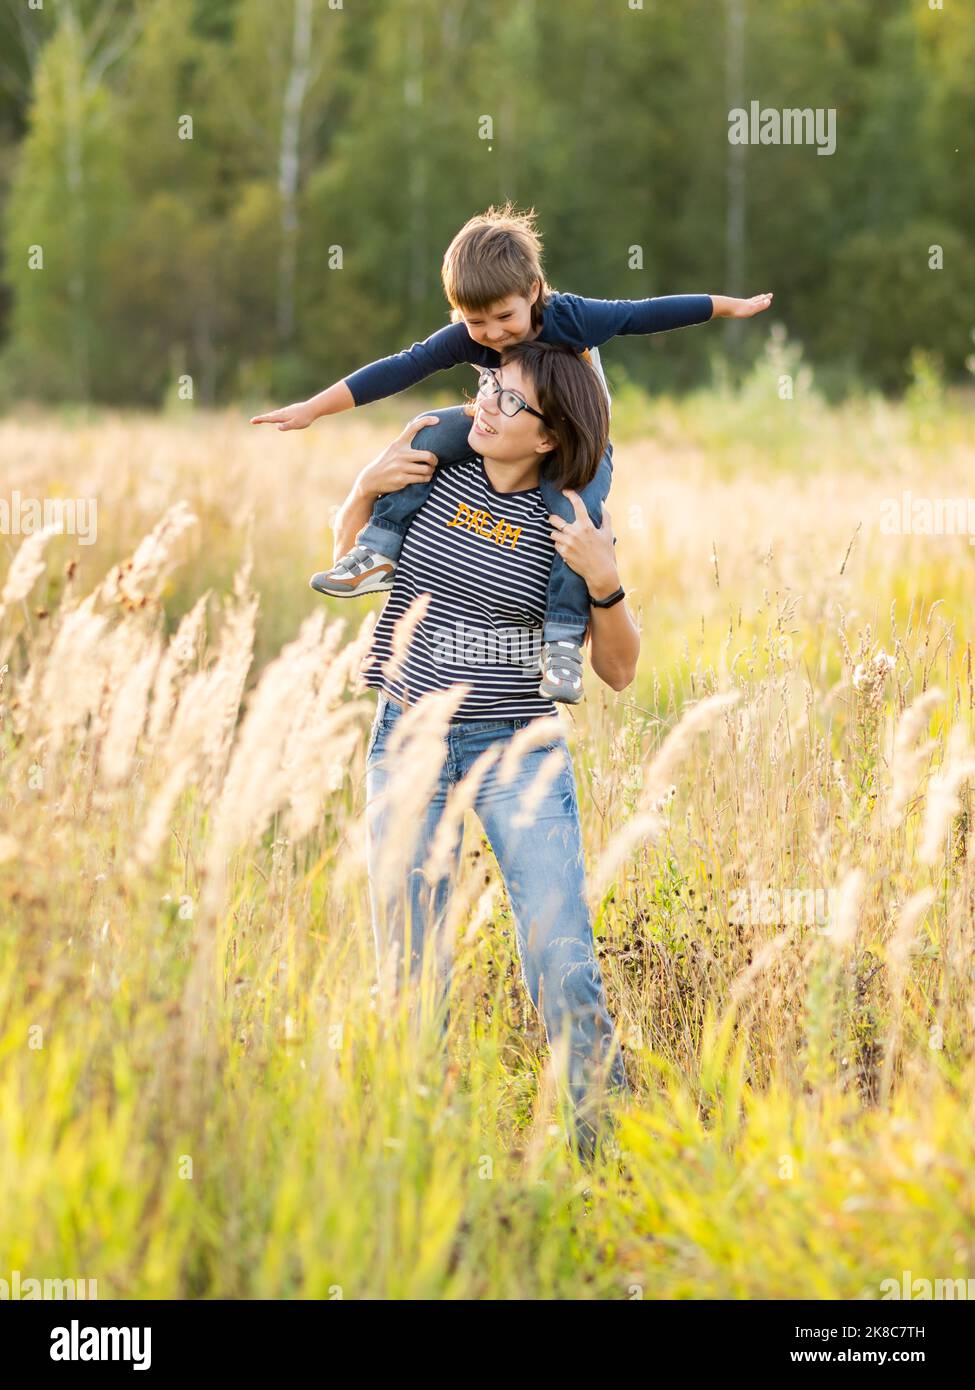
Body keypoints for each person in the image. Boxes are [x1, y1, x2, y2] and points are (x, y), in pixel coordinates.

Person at [252, 203, 772, 704]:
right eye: (477, 323)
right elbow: (400, 368)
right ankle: (379, 549)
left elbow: (644, 315)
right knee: (425, 433)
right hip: (505, 416)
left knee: (574, 521)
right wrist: (314, 409)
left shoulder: (571, 318)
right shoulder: (468, 335)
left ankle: (563, 639)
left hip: (575, 439)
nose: (494, 334)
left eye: (505, 317)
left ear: (533, 292)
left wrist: (728, 306)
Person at [333, 340, 639, 1161]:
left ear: (547, 436)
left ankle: (603, 1160)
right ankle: (416, 1163)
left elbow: (618, 672)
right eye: (485, 387)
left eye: (508, 400)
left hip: (519, 749)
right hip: (410, 738)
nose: (484, 407)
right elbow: (349, 557)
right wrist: (363, 487)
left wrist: (604, 581)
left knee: (561, 958)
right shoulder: (435, 471)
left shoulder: (570, 518)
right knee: (409, 965)